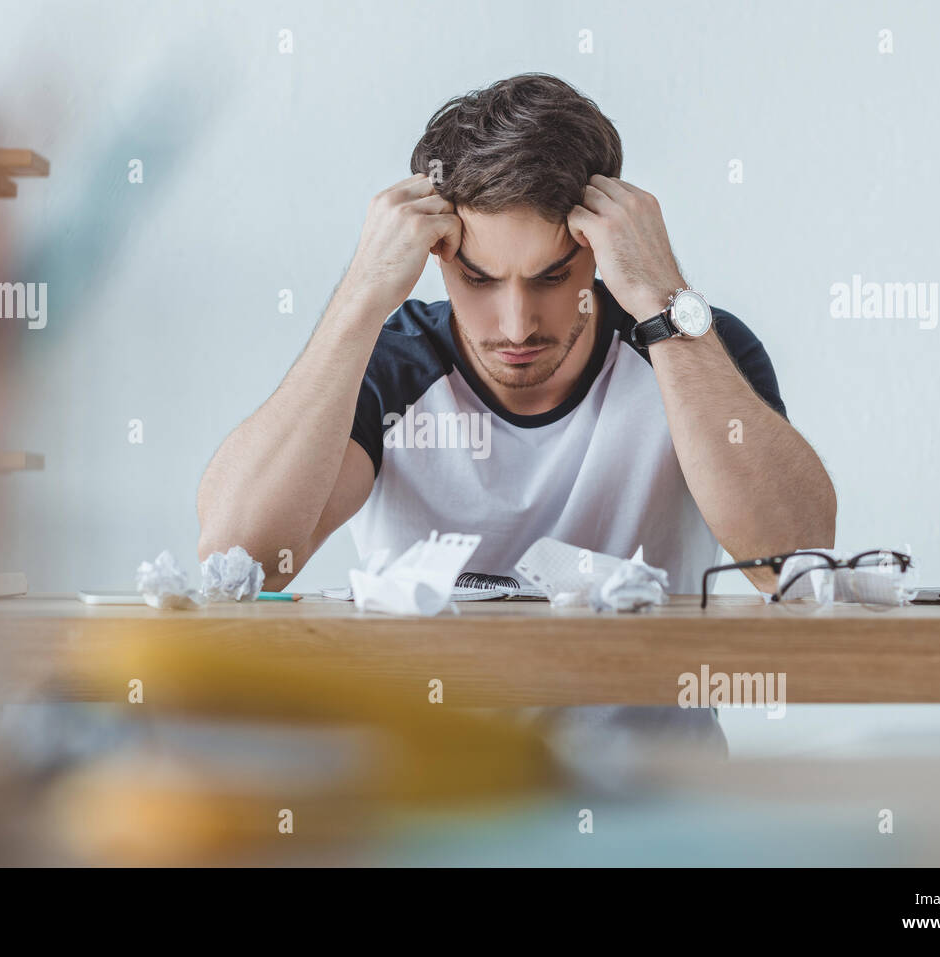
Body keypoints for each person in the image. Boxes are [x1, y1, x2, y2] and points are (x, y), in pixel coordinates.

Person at [197, 74, 836, 760]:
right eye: (479, 279)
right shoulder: (389, 368)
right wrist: (361, 294)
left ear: (600, 244)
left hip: (659, 807)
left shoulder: (692, 349)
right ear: (437, 255)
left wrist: (663, 295)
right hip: (432, 809)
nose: (517, 323)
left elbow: (793, 564)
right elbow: (239, 562)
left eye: (552, 276)